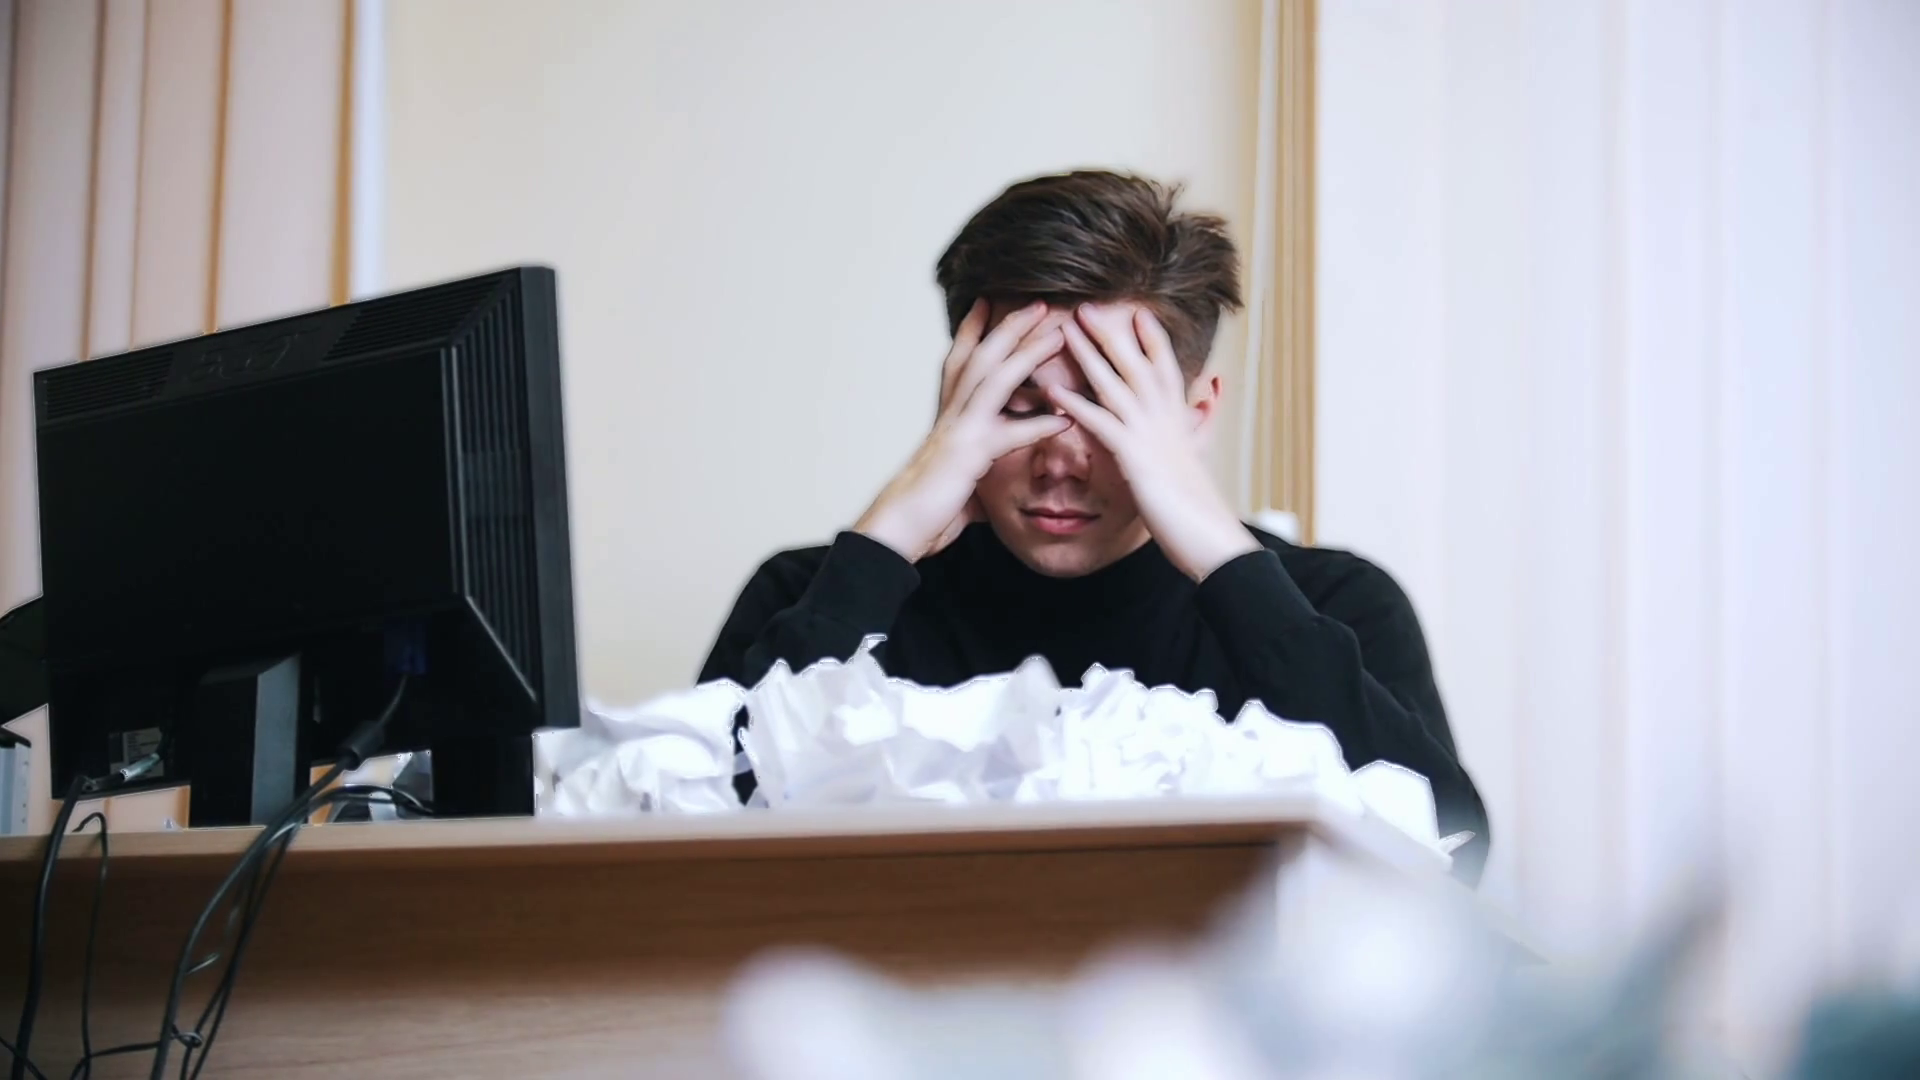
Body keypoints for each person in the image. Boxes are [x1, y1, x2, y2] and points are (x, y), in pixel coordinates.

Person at [699, 170, 1490, 884]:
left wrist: (1224, 557)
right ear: (957, 398)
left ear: (1197, 411)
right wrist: (886, 538)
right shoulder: (811, 594)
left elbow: (1453, 854)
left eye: (1107, 410)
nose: (1061, 461)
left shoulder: (1337, 602)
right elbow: (684, 841)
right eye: (1021, 405)